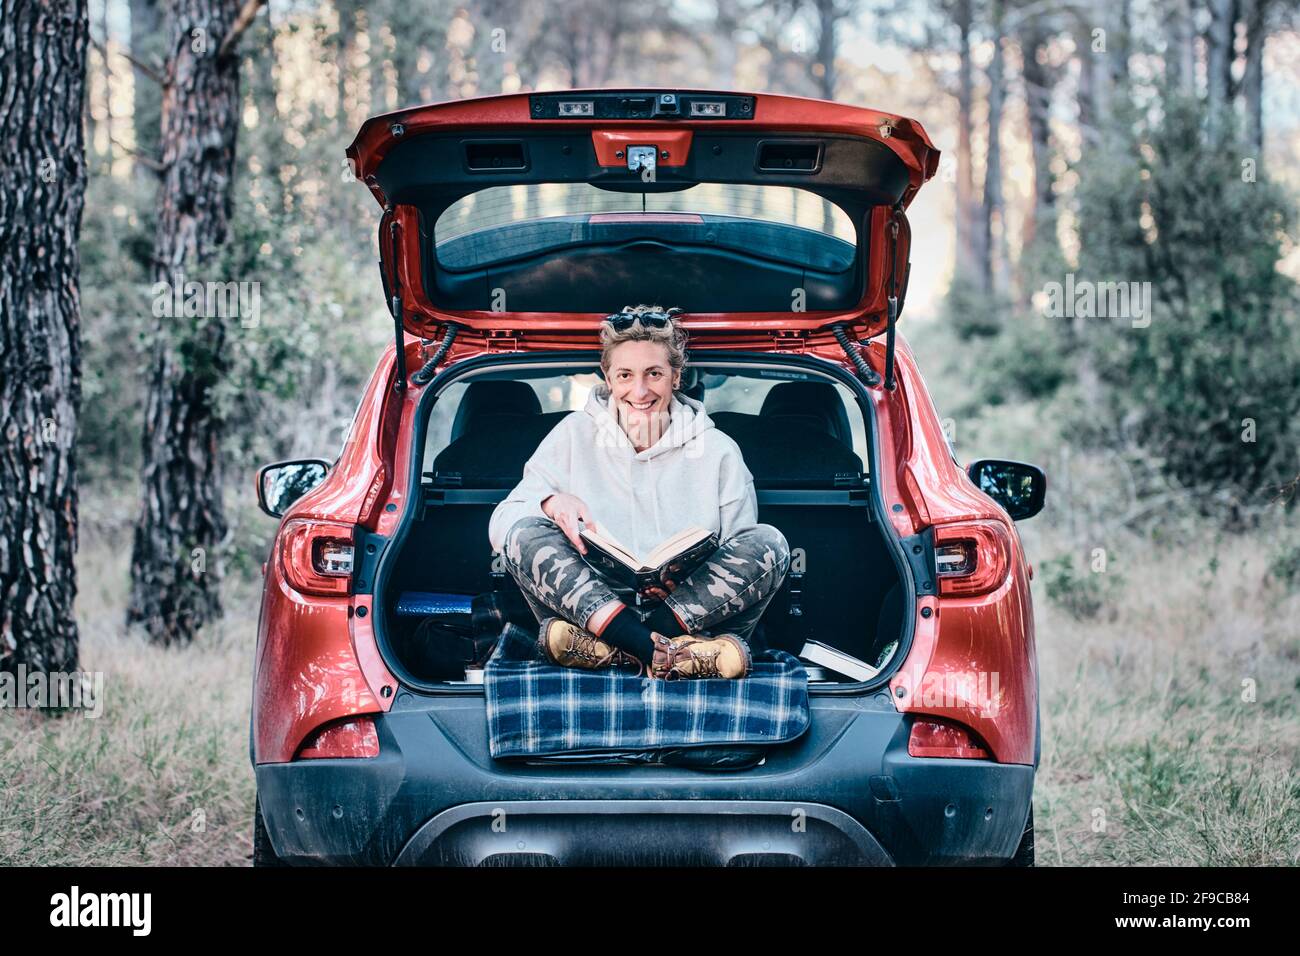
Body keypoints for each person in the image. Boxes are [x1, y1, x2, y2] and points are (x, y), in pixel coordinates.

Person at [487, 305, 791, 680]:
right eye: (626, 375)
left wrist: (683, 578)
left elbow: (737, 556)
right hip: (593, 610)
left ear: (676, 377)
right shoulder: (573, 434)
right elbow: (502, 526)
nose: (640, 390)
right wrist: (550, 502)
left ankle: (615, 653)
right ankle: (657, 653)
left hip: (688, 617)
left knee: (769, 543)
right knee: (525, 532)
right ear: (608, 378)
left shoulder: (718, 450)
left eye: (655, 374)